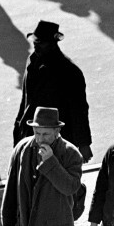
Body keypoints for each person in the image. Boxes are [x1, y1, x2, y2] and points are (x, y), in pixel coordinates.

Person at [13, 20, 93, 158]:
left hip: (57, 139)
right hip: (31, 132)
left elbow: (79, 110)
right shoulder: (32, 61)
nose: (36, 47)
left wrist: (84, 144)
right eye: (35, 43)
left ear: (52, 44)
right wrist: (18, 127)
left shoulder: (70, 72)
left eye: (41, 43)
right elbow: (26, 100)